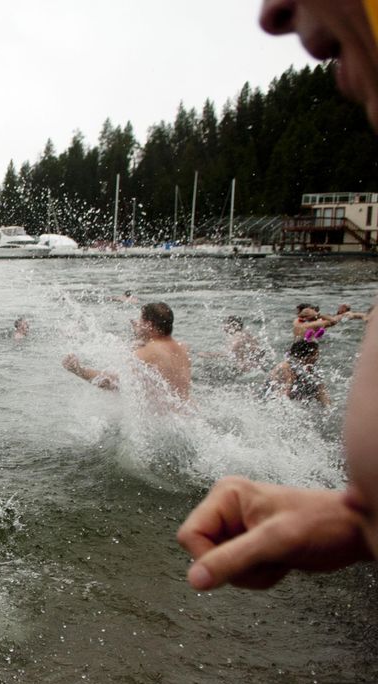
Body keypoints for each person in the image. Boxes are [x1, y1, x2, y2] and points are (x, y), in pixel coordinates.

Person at [176, 0, 378, 590]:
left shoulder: (307, 333)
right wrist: (354, 527)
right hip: (292, 370)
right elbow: (306, 339)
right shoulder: (300, 334)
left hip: (298, 371)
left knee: (302, 392)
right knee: (290, 386)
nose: (271, 15)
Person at [62, 302, 191, 403]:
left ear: (149, 325)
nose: (138, 324)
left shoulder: (146, 353)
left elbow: (113, 383)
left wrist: (78, 370)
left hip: (164, 425)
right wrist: (141, 336)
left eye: (140, 321)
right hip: (187, 417)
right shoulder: (183, 348)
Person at [265, 339, 330, 406]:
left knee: (316, 385)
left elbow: (323, 394)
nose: (317, 358)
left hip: (295, 402)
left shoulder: (311, 371)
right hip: (271, 401)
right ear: (307, 356)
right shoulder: (286, 367)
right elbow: (284, 395)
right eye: (315, 354)